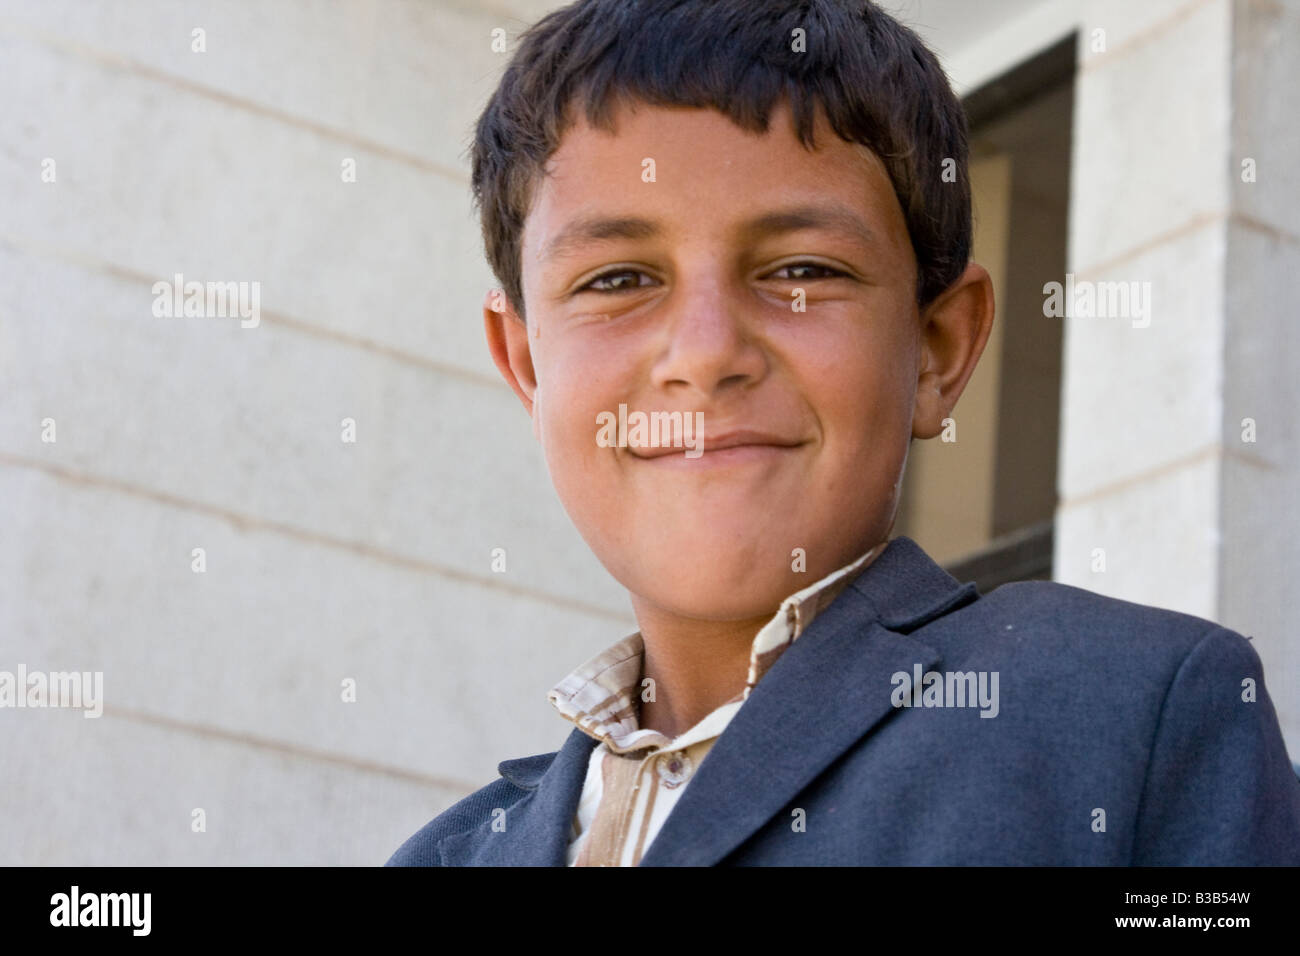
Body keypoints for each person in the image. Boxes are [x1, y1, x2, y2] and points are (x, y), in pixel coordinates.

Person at [388, 0, 1300, 865]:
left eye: (801, 269)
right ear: (528, 367)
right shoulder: (448, 854)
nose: (706, 356)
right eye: (619, 279)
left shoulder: (1127, 710)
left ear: (937, 351)